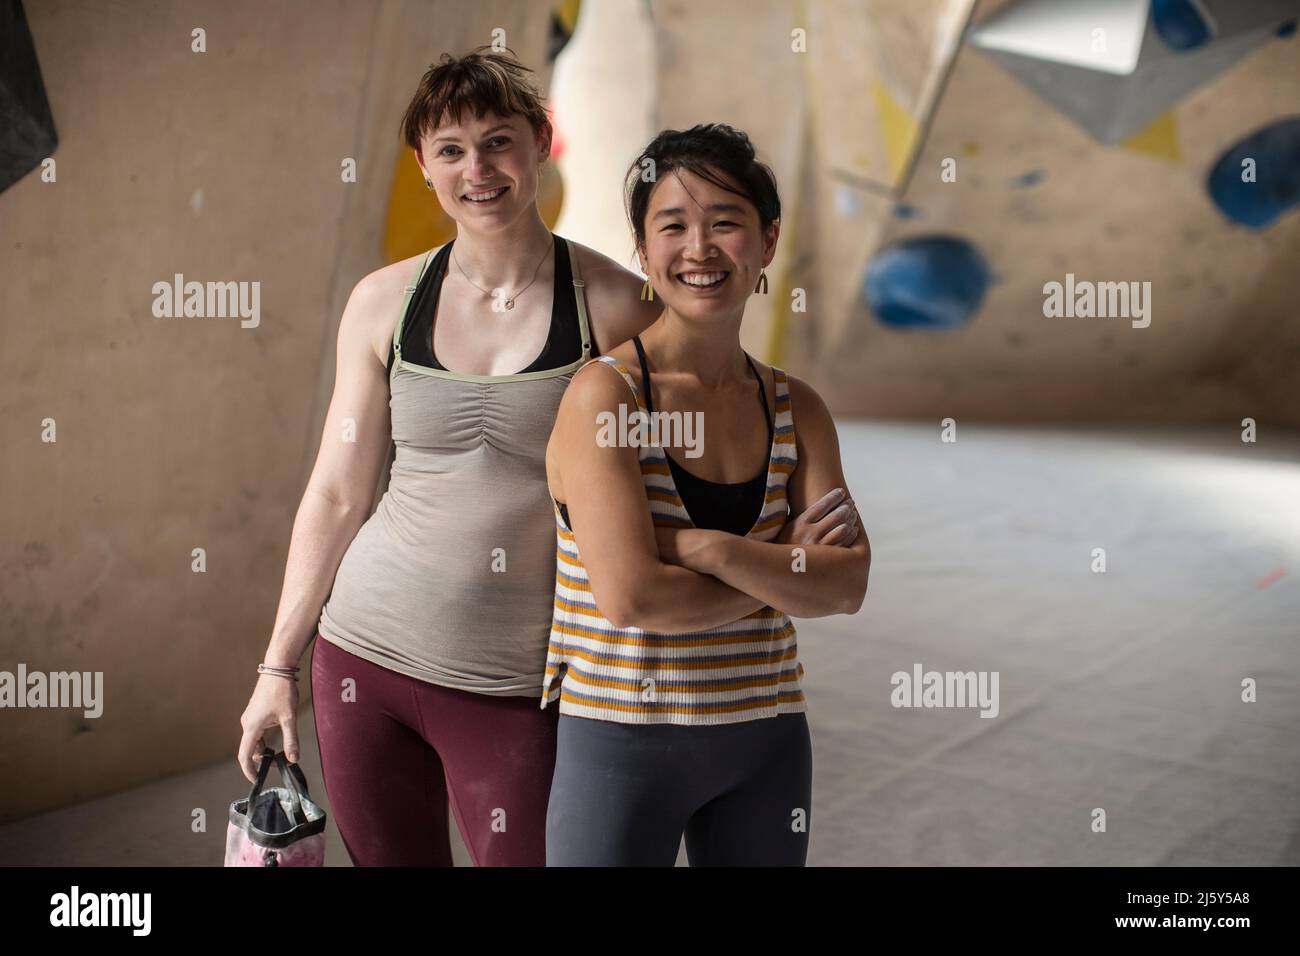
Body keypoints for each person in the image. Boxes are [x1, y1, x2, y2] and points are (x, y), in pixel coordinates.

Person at [235, 47, 662, 866]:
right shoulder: (383, 302)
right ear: (424, 167)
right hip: (363, 662)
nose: (479, 170)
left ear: (541, 141)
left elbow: (665, 495)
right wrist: (276, 666)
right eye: (452, 150)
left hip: (519, 683)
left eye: (499, 141)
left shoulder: (614, 307)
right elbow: (335, 494)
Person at [542, 123, 871, 866]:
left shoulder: (797, 406)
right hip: (622, 741)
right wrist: (784, 570)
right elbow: (634, 600)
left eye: (726, 222)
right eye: (673, 226)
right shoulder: (606, 397)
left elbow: (847, 586)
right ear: (642, 248)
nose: (699, 250)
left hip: (767, 738)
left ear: (767, 240)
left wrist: (710, 548)